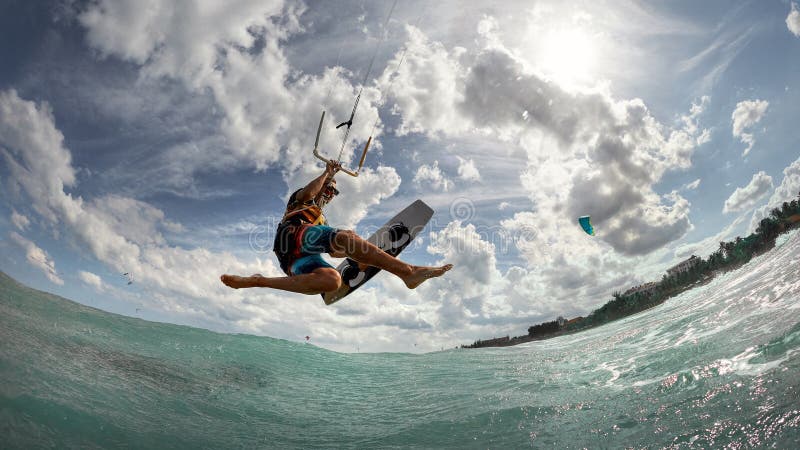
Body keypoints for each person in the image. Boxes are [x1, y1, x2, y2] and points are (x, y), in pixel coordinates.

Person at [220, 160, 452, 295]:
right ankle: (408, 272)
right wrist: (327, 174)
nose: (331, 194)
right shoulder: (300, 201)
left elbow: (335, 252)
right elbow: (310, 193)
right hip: (292, 238)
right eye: (330, 189)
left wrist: (363, 252)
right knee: (344, 236)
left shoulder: (323, 222)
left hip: (294, 262)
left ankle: (258, 281)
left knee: (332, 281)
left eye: (334, 192)